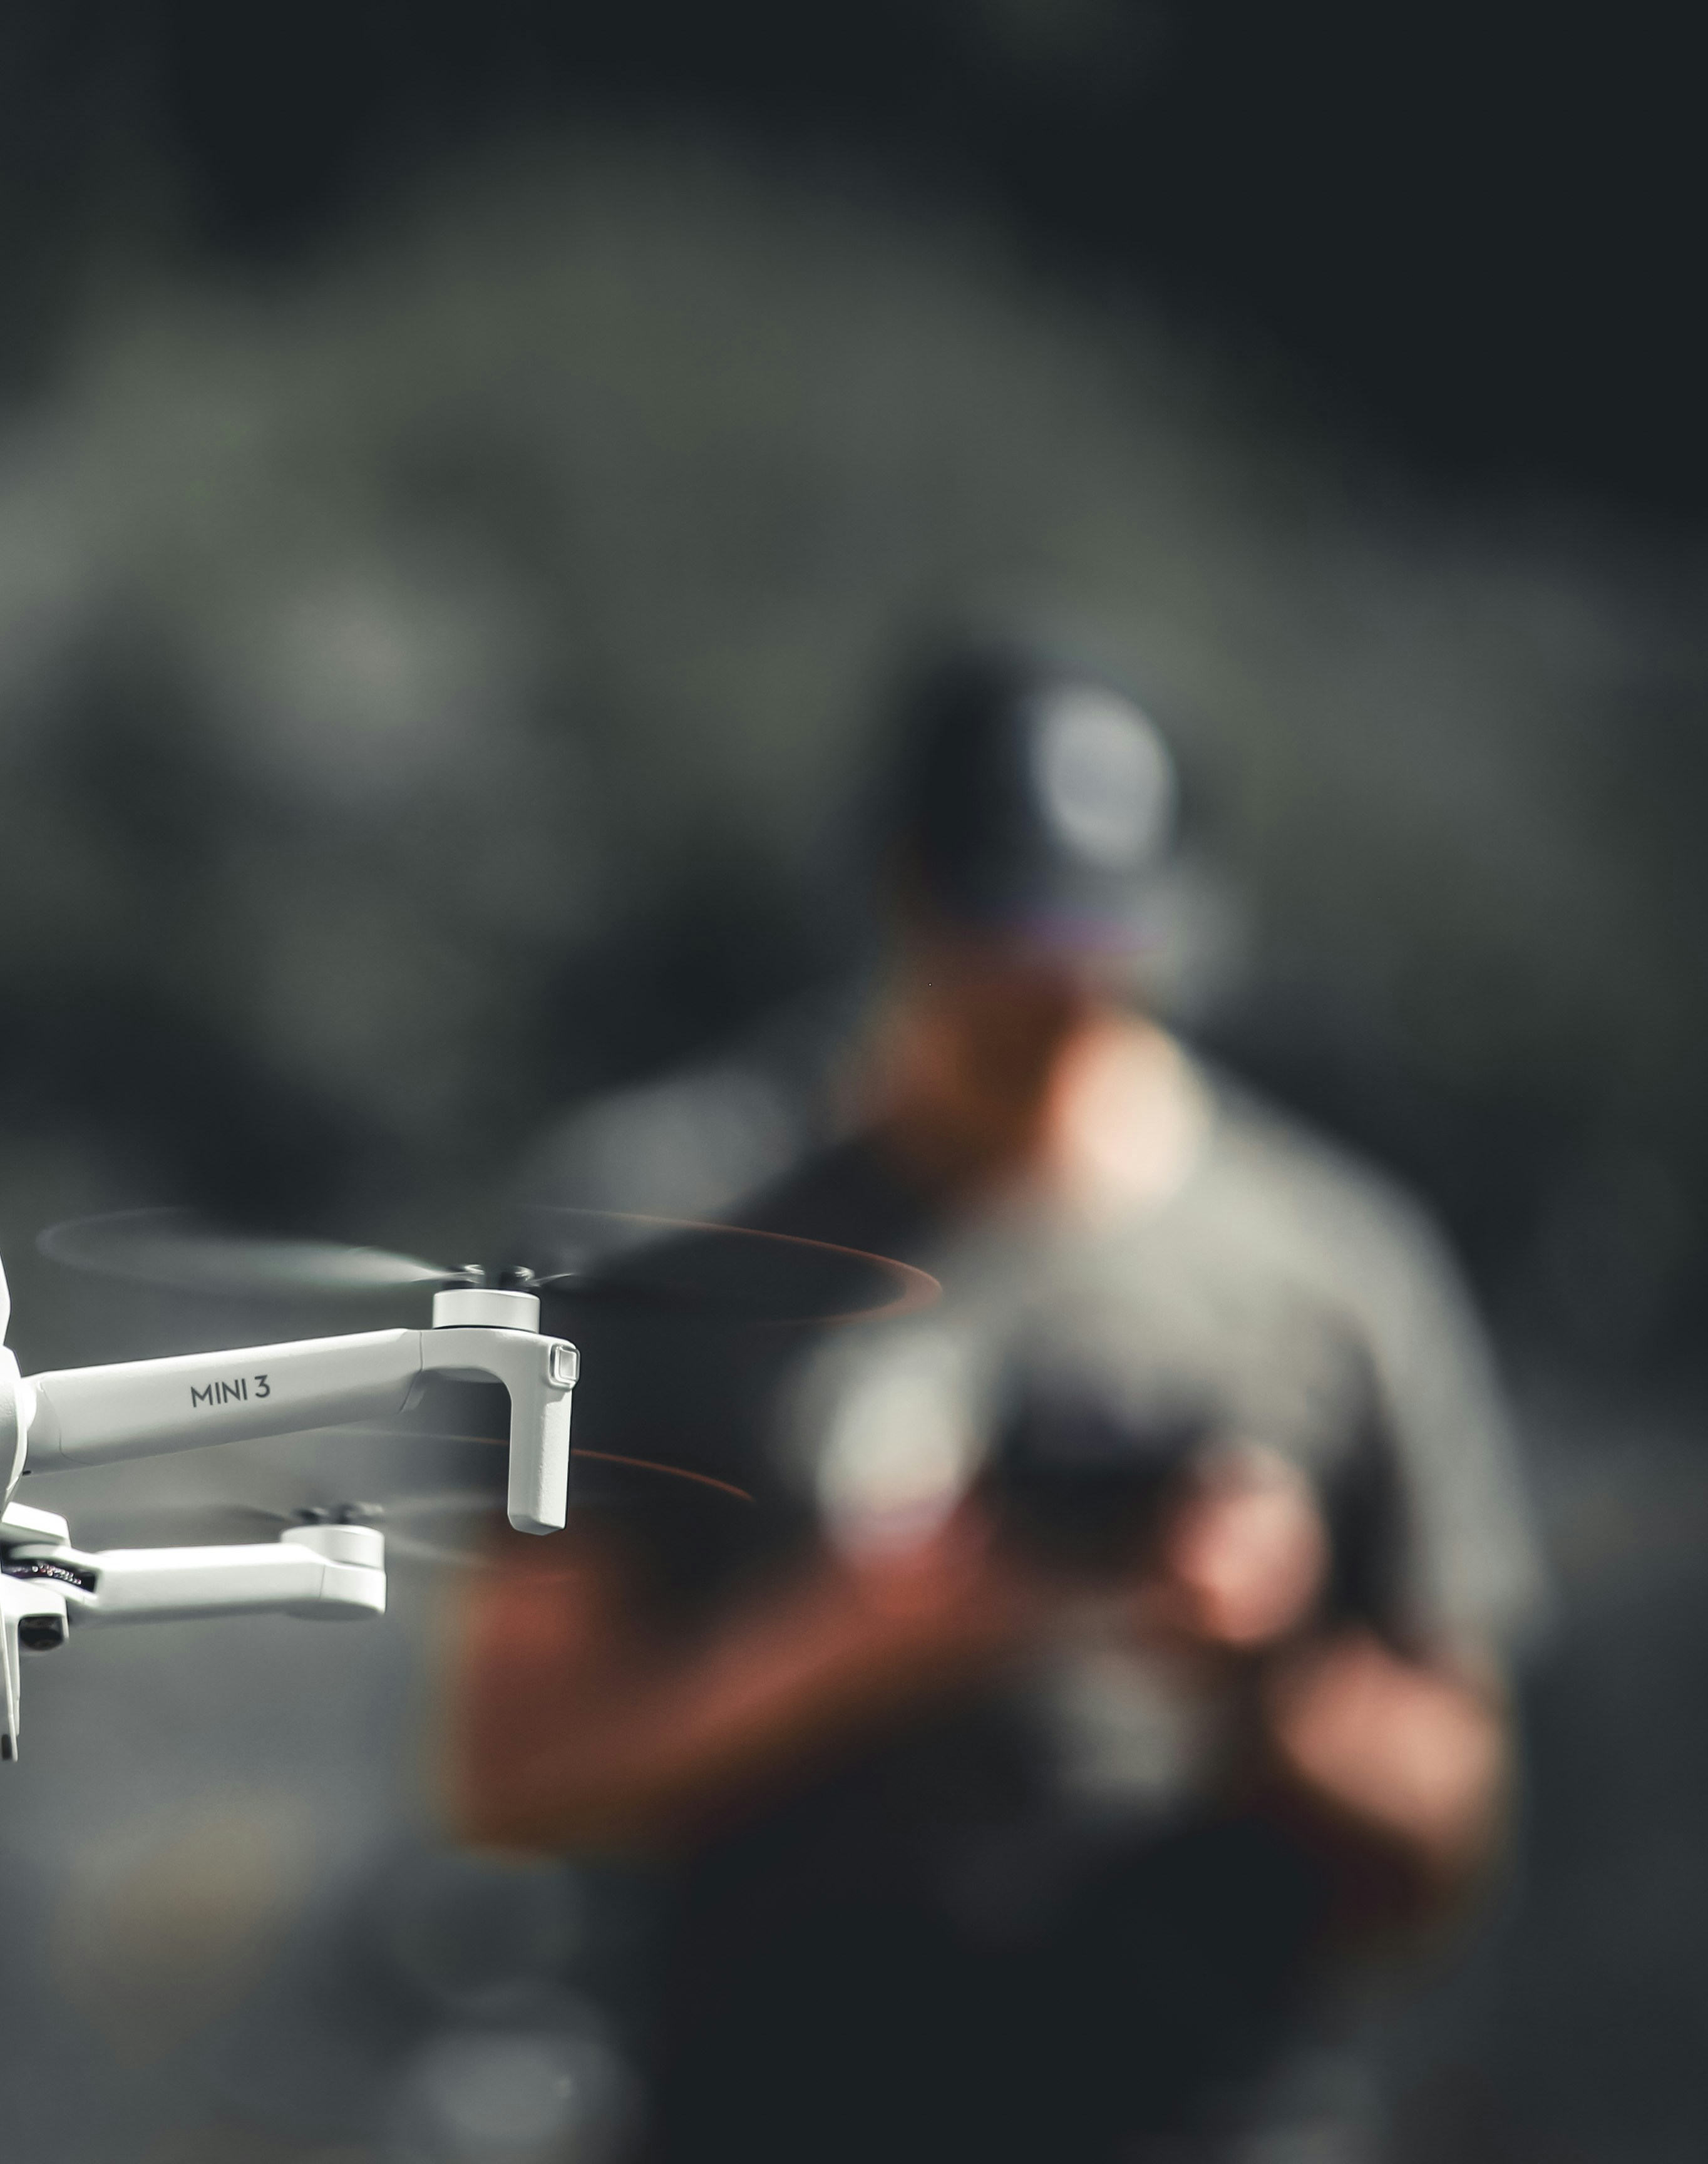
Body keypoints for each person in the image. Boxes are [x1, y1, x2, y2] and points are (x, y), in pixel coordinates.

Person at [450, 638, 1546, 2162]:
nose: (1049, 992)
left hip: (1198, 2104)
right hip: (774, 2096)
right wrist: (842, 1649)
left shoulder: (1338, 1273)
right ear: (904, 896)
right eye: (1007, 938)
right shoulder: (653, 1236)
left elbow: (1449, 1844)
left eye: (1094, 943)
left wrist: (1262, 1674)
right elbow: (513, 1771)